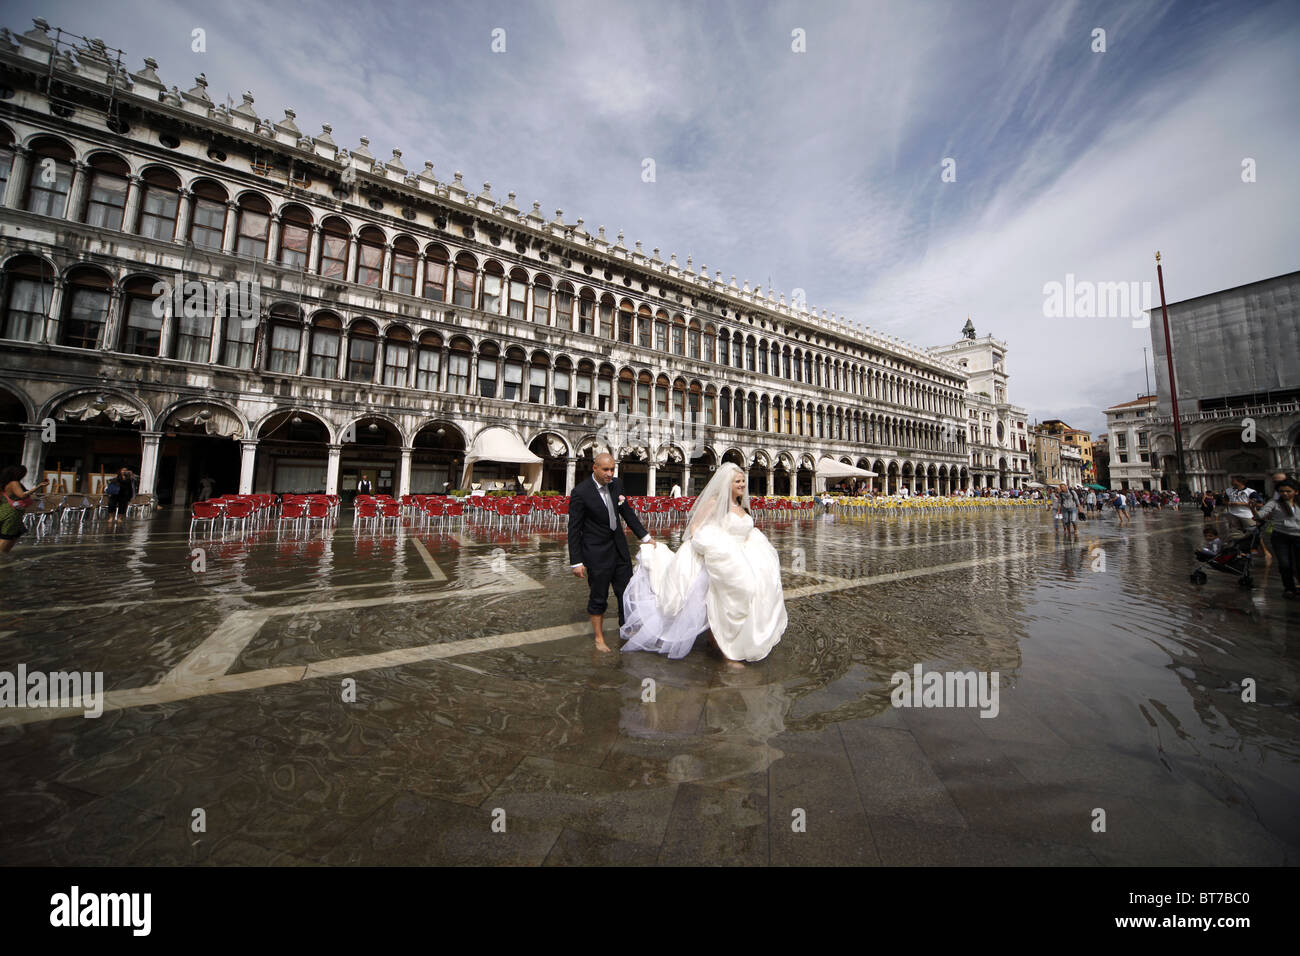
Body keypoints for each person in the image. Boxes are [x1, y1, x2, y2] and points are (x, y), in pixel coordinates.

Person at [620, 462, 786, 665]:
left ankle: (732, 641)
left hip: (745, 556)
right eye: (738, 481)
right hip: (722, 557)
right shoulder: (715, 502)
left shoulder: (741, 504)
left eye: (743, 481)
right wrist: (710, 544)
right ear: (728, 483)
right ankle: (726, 648)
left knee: (757, 593)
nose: (742, 485)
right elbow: (696, 525)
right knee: (726, 600)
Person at [568, 453, 652, 653]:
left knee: (626, 592)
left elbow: (627, 512)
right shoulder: (581, 492)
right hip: (596, 553)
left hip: (619, 550)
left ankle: (626, 629)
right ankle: (598, 638)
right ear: (594, 468)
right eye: (606, 469)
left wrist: (646, 537)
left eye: (613, 469)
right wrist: (576, 561)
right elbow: (574, 528)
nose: (610, 474)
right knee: (599, 596)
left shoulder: (617, 485)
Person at [1251, 481, 1299, 598]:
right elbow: (1259, 516)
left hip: (1298, 536)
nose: (1285, 494)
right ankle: (1289, 588)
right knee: (1284, 563)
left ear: (1296, 492)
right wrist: (1253, 508)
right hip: (1280, 536)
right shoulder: (1274, 503)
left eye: (1288, 491)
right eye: (1282, 491)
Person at [1, 466, 48, 553]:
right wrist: (38, 487)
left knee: (15, 533)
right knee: (7, 536)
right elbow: (22, 495)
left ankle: (5, 556)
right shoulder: (14, 483)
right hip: (12, 513)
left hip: (7, 511)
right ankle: (3, 557)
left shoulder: (5, 483)